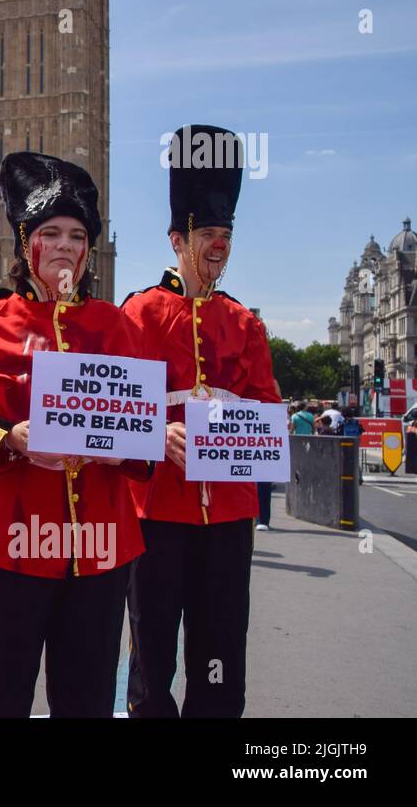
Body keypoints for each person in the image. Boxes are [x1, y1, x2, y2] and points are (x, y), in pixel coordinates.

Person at [0, 152, 151, 717]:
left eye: (76, 235)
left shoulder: (116, 326)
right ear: (25, 243)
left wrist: (129, 449)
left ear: (89, 248)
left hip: (99, 551)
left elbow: (142, 440)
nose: (65, 246)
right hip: (9, 547)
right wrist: (9, 437)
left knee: (87, 700)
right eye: (50, 233)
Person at [121, 125, 280, 718]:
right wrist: (157, 432)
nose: (219, 245)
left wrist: (244, 423)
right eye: (207, 233)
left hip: (230, 514)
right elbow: (112, 411)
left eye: (226, 235)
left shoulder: (246, 322)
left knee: (220, 649)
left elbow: (267, 407)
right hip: (157, 509)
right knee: (152, 649)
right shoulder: (138, 312)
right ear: (176, 239)